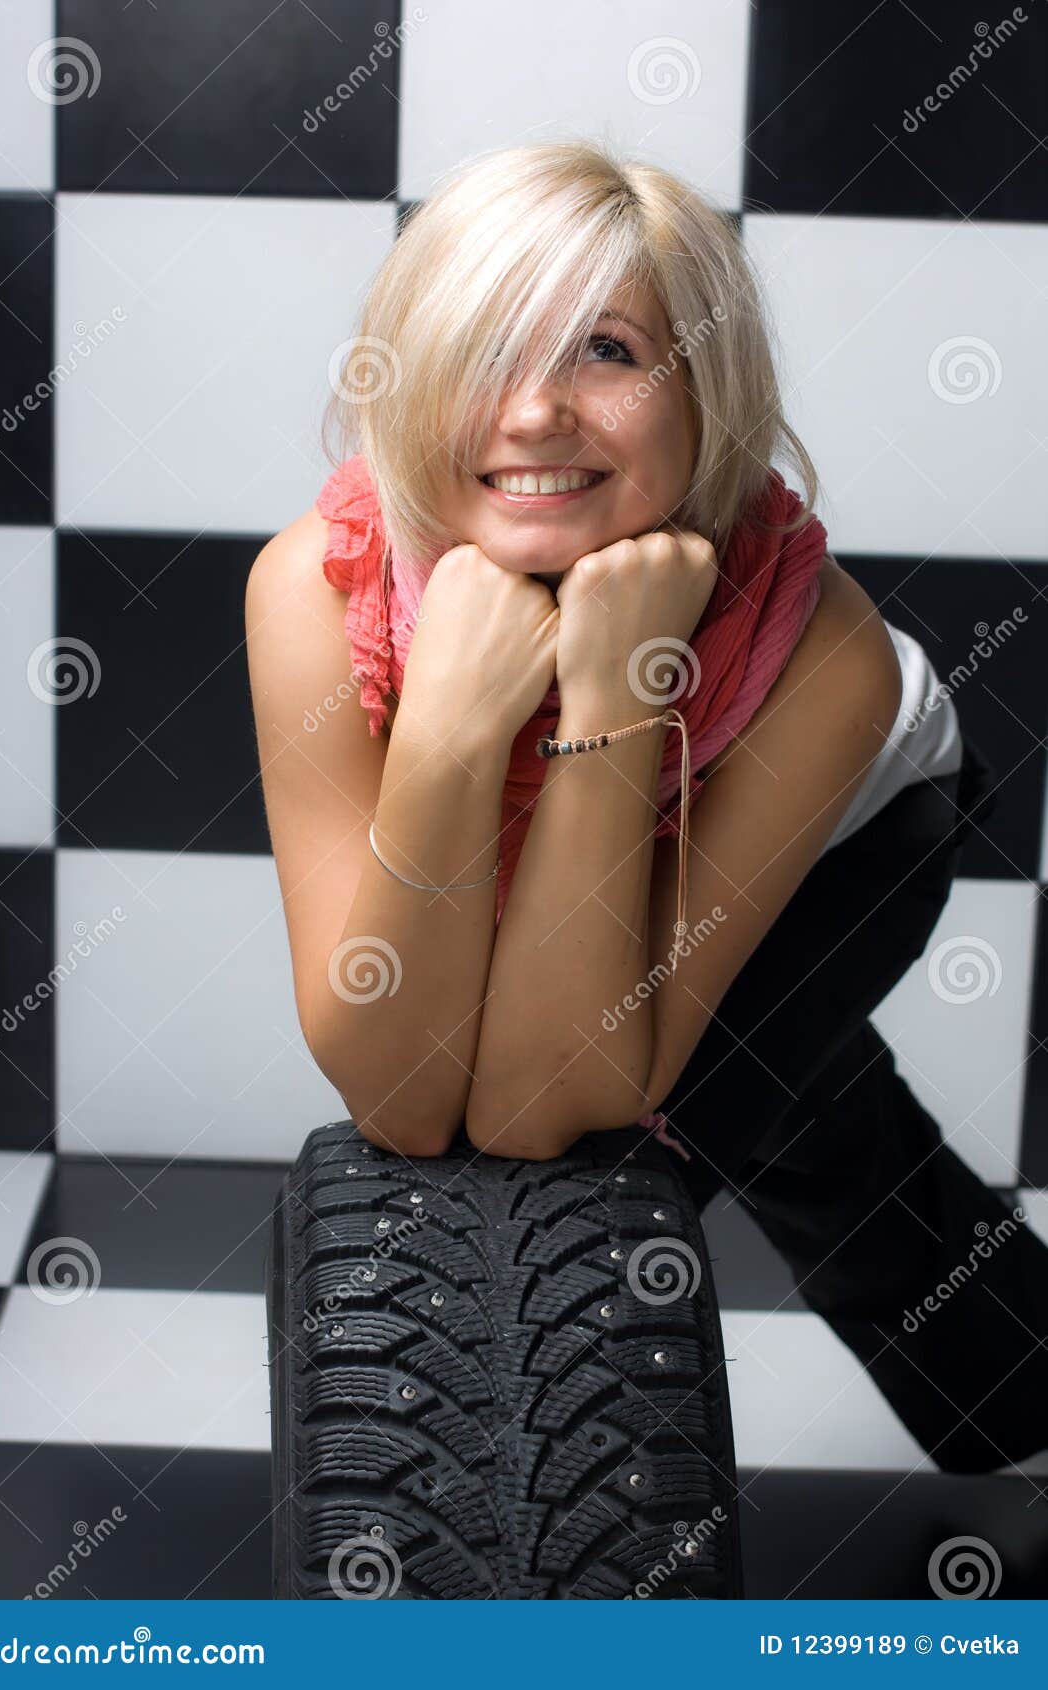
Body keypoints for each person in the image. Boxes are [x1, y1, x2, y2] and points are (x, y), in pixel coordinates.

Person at [245, 138, 1048, 1475]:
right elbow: (393, 1084)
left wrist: (617, 688)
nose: (535, 413)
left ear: (707, 392)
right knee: (795, 1108)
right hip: (560, 831)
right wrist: (446, 726)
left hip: (850, 837)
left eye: (607, 351)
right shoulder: (311, 592)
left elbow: (538, 1100)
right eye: (485, 349)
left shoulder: (824, 662)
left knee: (636, 1143)